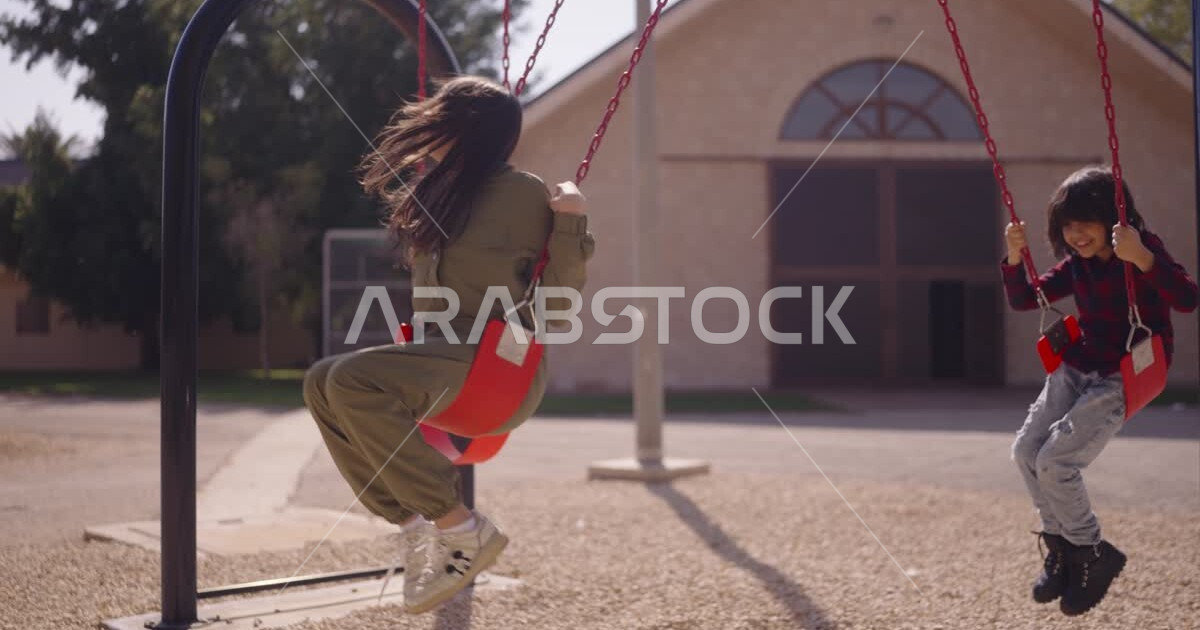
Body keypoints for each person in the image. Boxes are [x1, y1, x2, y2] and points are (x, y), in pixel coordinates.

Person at [303, 76, 595, 614]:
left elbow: (555, 310)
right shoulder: (436, 190)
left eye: (440, 114)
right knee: (321, 382)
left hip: (498, 368)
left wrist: (572, 224)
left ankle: (459, 527)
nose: (427, 120)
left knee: (347, 379)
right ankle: (418, 528)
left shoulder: (525, 195)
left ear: (466, 129)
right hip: (444, 364)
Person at [1003, 166, 1197, 616]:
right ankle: (1061, 546)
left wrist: (1144, 258)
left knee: (1056, 461)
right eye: (1067, 227)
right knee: (1025, 451)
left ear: (1112, 217)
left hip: (1125, 369)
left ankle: (1092, 553)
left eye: (1085, 223)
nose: (1076, 235)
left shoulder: (1141, 250)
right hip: (1079, 364)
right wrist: (1014, 258)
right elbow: (1026, 298)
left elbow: (1187, 298)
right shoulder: (1079, 265)